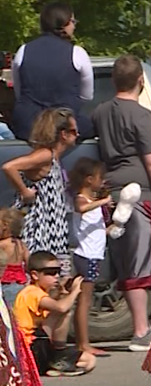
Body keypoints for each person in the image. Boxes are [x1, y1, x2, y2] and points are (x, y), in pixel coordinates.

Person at [91, 55, 151, 352]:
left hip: (112, 190)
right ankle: (140, 332)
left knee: (126, 260)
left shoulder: (100, 112)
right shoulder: (143, 116)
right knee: (140, 263)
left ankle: (142, 328)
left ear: (113, 81)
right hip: (140, 193)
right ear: (140, 80)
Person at [2, 108, 77, 276]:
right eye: (73, 131)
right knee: (40, 273)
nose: (77, 135)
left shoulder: (55, 158)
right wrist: (24, 191)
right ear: (63, 134)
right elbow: (9, 167)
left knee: (55, 276)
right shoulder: (45, 155)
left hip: (53, 226)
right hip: (39, 227)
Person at [11, 2, 93, 141]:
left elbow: (19, 93)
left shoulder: (22, 51)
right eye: (72, 21)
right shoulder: (77, 53)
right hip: (63, 125)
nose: (74, 25)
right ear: (64, 24)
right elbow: (87, 96)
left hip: (28, 126)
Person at [13, 250, 94, 376]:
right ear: (35, 275)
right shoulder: (31, 292)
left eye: (58, 272)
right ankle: (59, 353)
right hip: (30, 348)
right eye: (50, 273)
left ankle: (55, 366)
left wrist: (61, 292)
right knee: (64, 311)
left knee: (89, 361)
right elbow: (60, 308)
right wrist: (75, 291)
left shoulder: (41, 293)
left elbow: (53, 305)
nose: (56, 276)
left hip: (42, 345)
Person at [67, 158, 110, 356]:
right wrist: (103, 202)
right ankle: (83, 344)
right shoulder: (81, 199)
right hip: (86, 256)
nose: (102, 182)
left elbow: (95, 231)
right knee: (84, 301)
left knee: (86, 300)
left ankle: (83, 343)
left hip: (94, 255)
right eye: (100, 178)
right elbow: (81, 209)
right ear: (89, 179)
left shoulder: (92, 202)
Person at [0, 209, 27, 309]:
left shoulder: (3, 245)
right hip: (20, 282)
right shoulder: (21, 244)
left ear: (5, 226)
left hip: (5, 283)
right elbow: (29, 262)